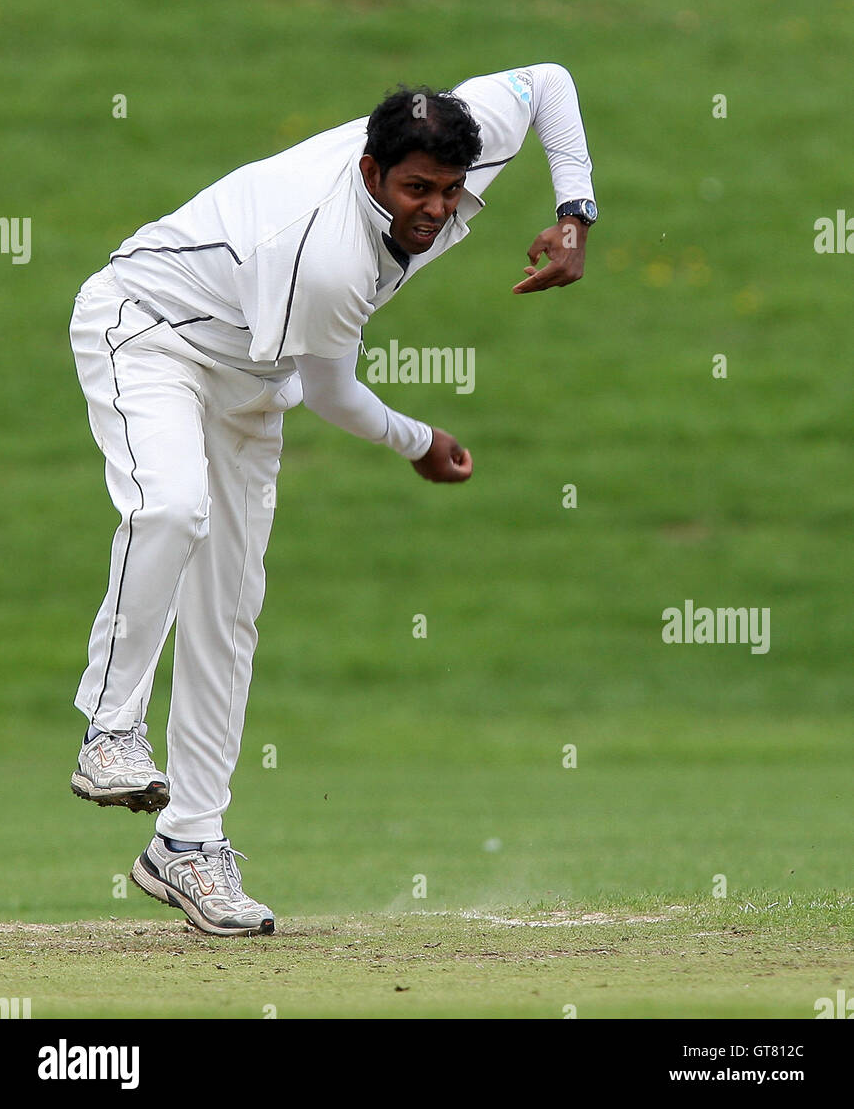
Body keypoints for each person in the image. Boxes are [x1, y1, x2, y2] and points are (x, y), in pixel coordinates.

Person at [68, 63, 596, 936]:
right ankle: (109, 730)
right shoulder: (326, 252)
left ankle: (188, 846)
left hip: (250, 377)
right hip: (149, 331)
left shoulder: (470, 130)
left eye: (450, 191)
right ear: (369, 173)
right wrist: (417, 440)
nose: (434, 209)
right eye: (414, 190)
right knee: (170, 510)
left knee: (229, 614)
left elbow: (549, 83)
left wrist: (576, 213)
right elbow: (331, 393)